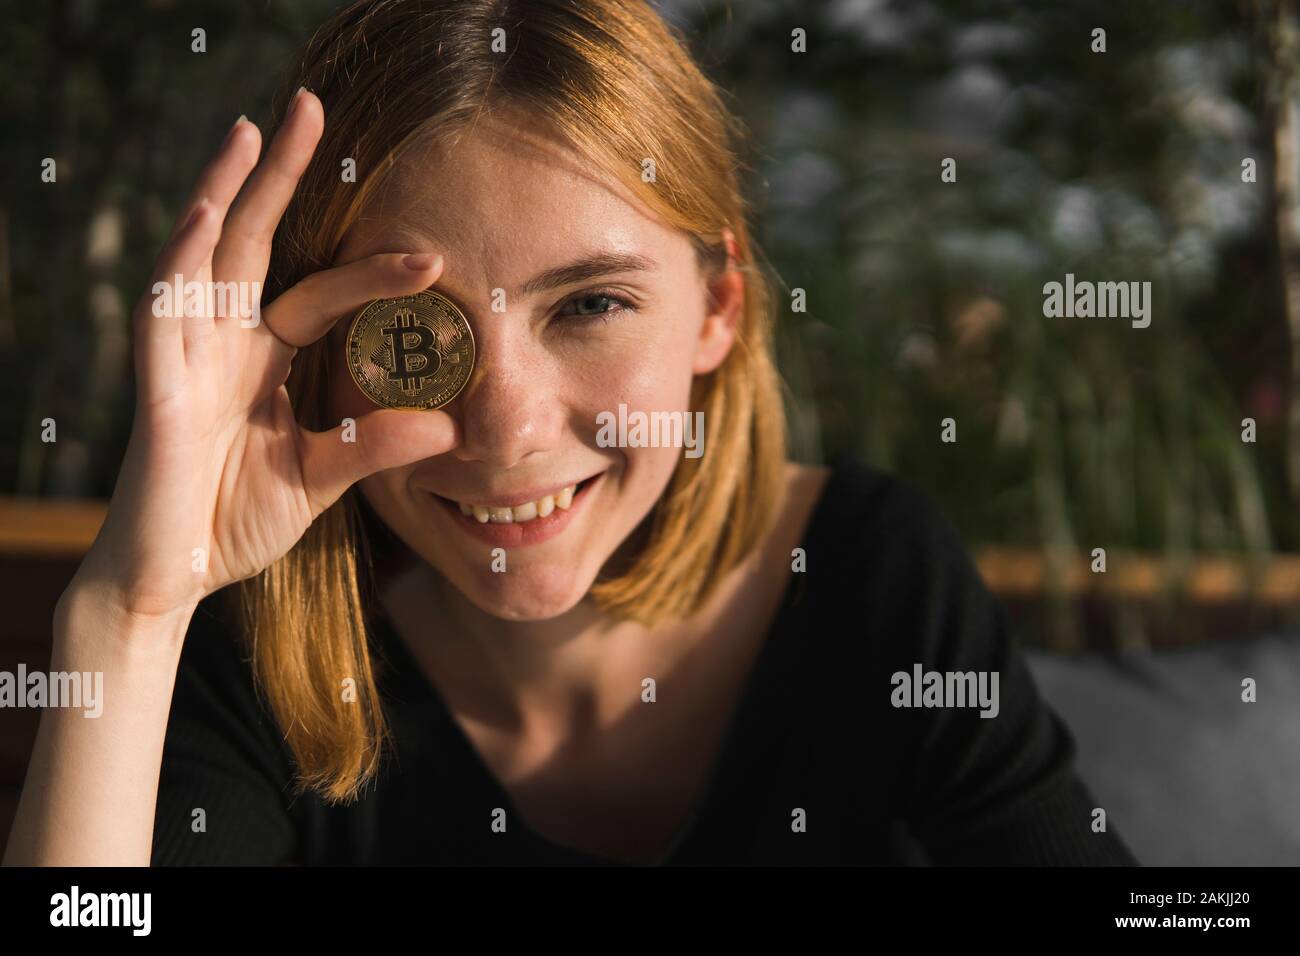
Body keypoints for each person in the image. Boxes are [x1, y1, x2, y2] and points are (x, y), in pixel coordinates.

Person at [2, 0, 1137, 866]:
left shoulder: (871, 576)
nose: (503, 427)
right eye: (417, 333)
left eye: (590, 304)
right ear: (318, 348)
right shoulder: (252, 647)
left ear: (719, 308)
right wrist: (129, 612)